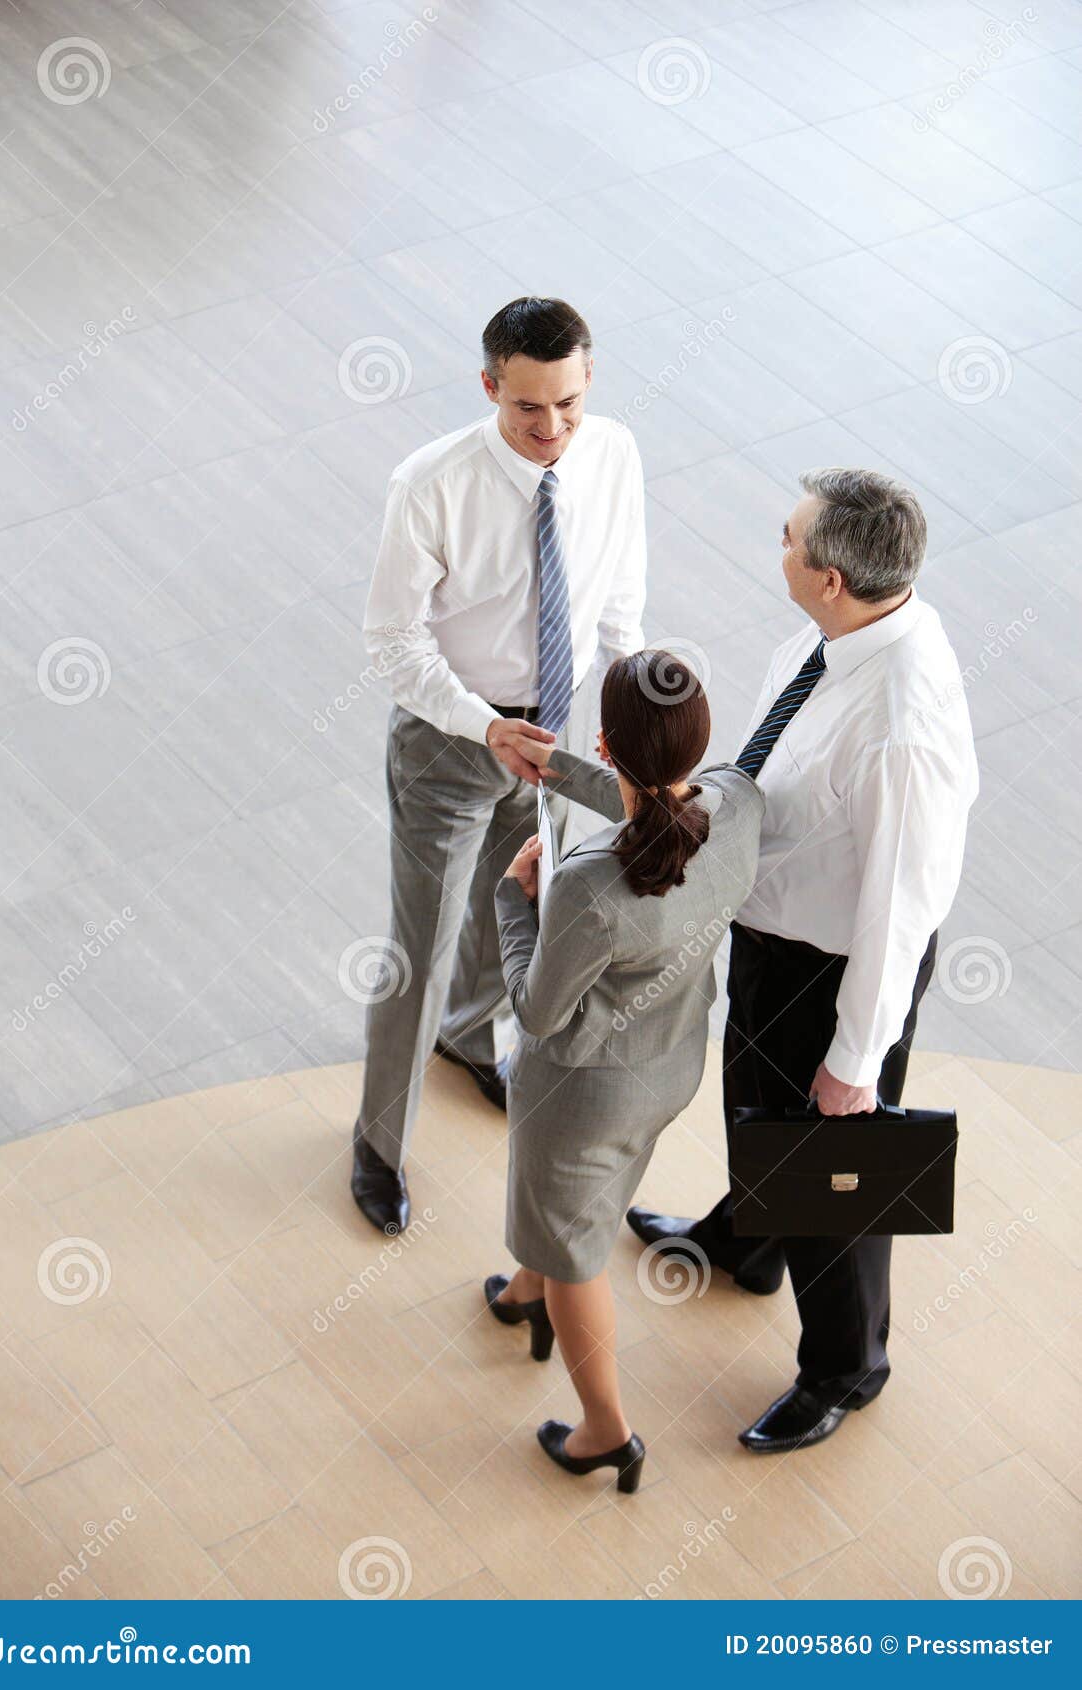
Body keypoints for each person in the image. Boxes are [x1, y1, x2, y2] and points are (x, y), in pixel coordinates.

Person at [628, 468, 979, 1454]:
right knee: (758, 1112)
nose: (774, 546)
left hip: (834, 969)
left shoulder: (898, 723)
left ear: (829, 578)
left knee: (833, 1170)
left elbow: (901, 904)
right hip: (777, 938)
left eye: (787, 538)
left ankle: (843, 1367)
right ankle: (742, 1243)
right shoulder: (842, 633)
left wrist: (854, 1060)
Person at [351, 297, 647, 1233]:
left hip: (551, 738)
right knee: (422, 945)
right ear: (489, 387)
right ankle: (377, 1141)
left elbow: (619, 587)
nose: (551, 428)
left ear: (587, 381)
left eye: (567, 403)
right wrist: (484, 727)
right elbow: (392, 643)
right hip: (450, 741)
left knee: (514, 903)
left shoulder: (614, 453)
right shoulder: (430, 484)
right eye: (527, 408)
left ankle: (471, 1041)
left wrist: (621, 698)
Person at [484, 651, 764, 1493]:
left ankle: (605, 1431)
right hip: (668, 1068)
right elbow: (663, 804)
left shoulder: (585, 887)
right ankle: (527, 1288)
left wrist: (511, 898)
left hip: (579, 1097)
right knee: (572, 1214)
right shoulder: (737, 803)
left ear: (606, 746)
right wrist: (558, 771)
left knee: (579, 1256)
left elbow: (537, 1013)